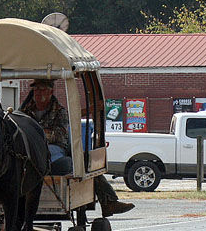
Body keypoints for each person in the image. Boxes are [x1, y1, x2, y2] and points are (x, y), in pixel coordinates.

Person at [21, 79, 133, 217]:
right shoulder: (24, 112)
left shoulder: (60, 112)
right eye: (36, 90)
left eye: (42, 90)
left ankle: (109, 201)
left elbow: (59, 135)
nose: (38, 93)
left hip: (54, 150)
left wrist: (36, 134)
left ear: (50, 92)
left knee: (87, 163)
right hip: (28, 150)